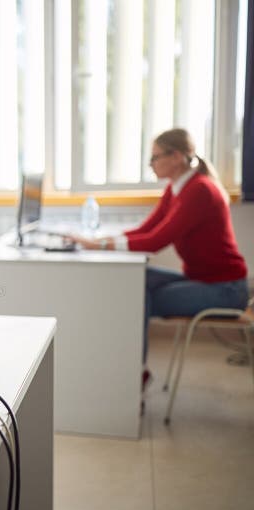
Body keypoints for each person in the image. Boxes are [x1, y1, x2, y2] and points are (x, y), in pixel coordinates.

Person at [69, 128, 249, 372]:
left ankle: (135, 374)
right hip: (202, 279)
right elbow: (146, 229)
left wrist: (100, 245)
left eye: (155, 157)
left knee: (136, 294)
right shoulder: (177, 188)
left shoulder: (200, 191)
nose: (151, 164)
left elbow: (155, 240)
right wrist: (103, 240)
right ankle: (121, 371)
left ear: (175, 157)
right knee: (134, 280)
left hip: (225, 289)